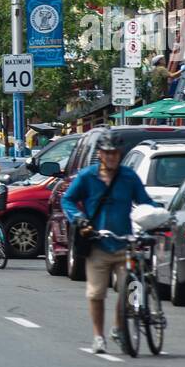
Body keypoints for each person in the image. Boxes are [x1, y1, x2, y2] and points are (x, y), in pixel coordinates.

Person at [61, 130, 156, 354]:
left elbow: (145, 202)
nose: (111, 157)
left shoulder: (129, 177)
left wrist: (159, 217)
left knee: (129, 289)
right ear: (100, 155)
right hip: (98, 244)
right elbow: (68, 200)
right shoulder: (87, 176)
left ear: (120, 154)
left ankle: (118, 327)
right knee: (96, 294)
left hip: (124, 243)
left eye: (115, 153)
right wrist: (79, 219)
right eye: (107, 153)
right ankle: (98, 336)